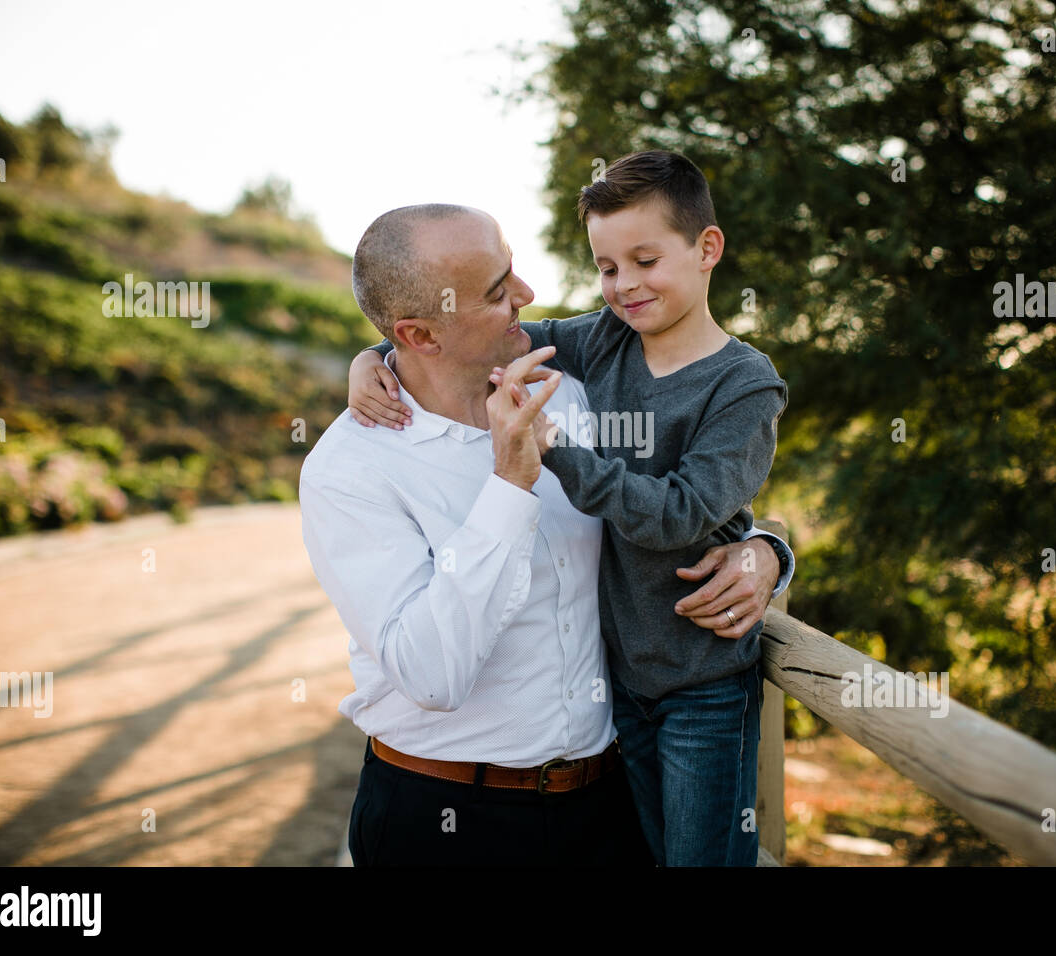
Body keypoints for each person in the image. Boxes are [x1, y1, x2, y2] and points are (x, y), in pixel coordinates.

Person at [301, 202, 791, 866]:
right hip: (444, 821)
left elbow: (676, 506)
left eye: (515, 274)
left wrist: (766, 552)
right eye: (498, 291)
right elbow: (433, 677)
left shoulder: (574, 397)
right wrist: (509, 483)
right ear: (418, 336)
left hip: (602, 807)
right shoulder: (349, 468)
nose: (527, 298)